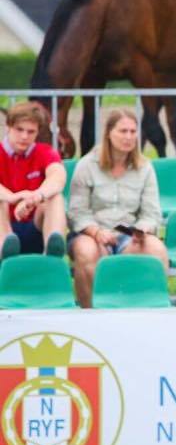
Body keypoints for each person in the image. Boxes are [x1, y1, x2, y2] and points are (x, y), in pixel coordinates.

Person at [67, 109, 167, 308]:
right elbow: (77, 212)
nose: (128, 137)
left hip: (127, 233)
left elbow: (151, 212)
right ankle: (91, 311)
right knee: (87, 251)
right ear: (108, 133)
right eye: (123, 131)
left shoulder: (144, 167)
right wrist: (96, 232)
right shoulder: (87, 165)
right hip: (91, 232)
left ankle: (151, 310)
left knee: (157, 249)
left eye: (133, 131)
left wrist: (143, 229)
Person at [0, 101, 67, 260]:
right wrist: (12, 197)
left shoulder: (45, 152)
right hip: (5, 222)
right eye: (19, 130)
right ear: (8, 127)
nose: (24, 136)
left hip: (35, 223)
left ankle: (52, 251)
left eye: (31, 132)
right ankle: (5, 248)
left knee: (54, 197)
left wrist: (36, 196)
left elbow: (58, 176)